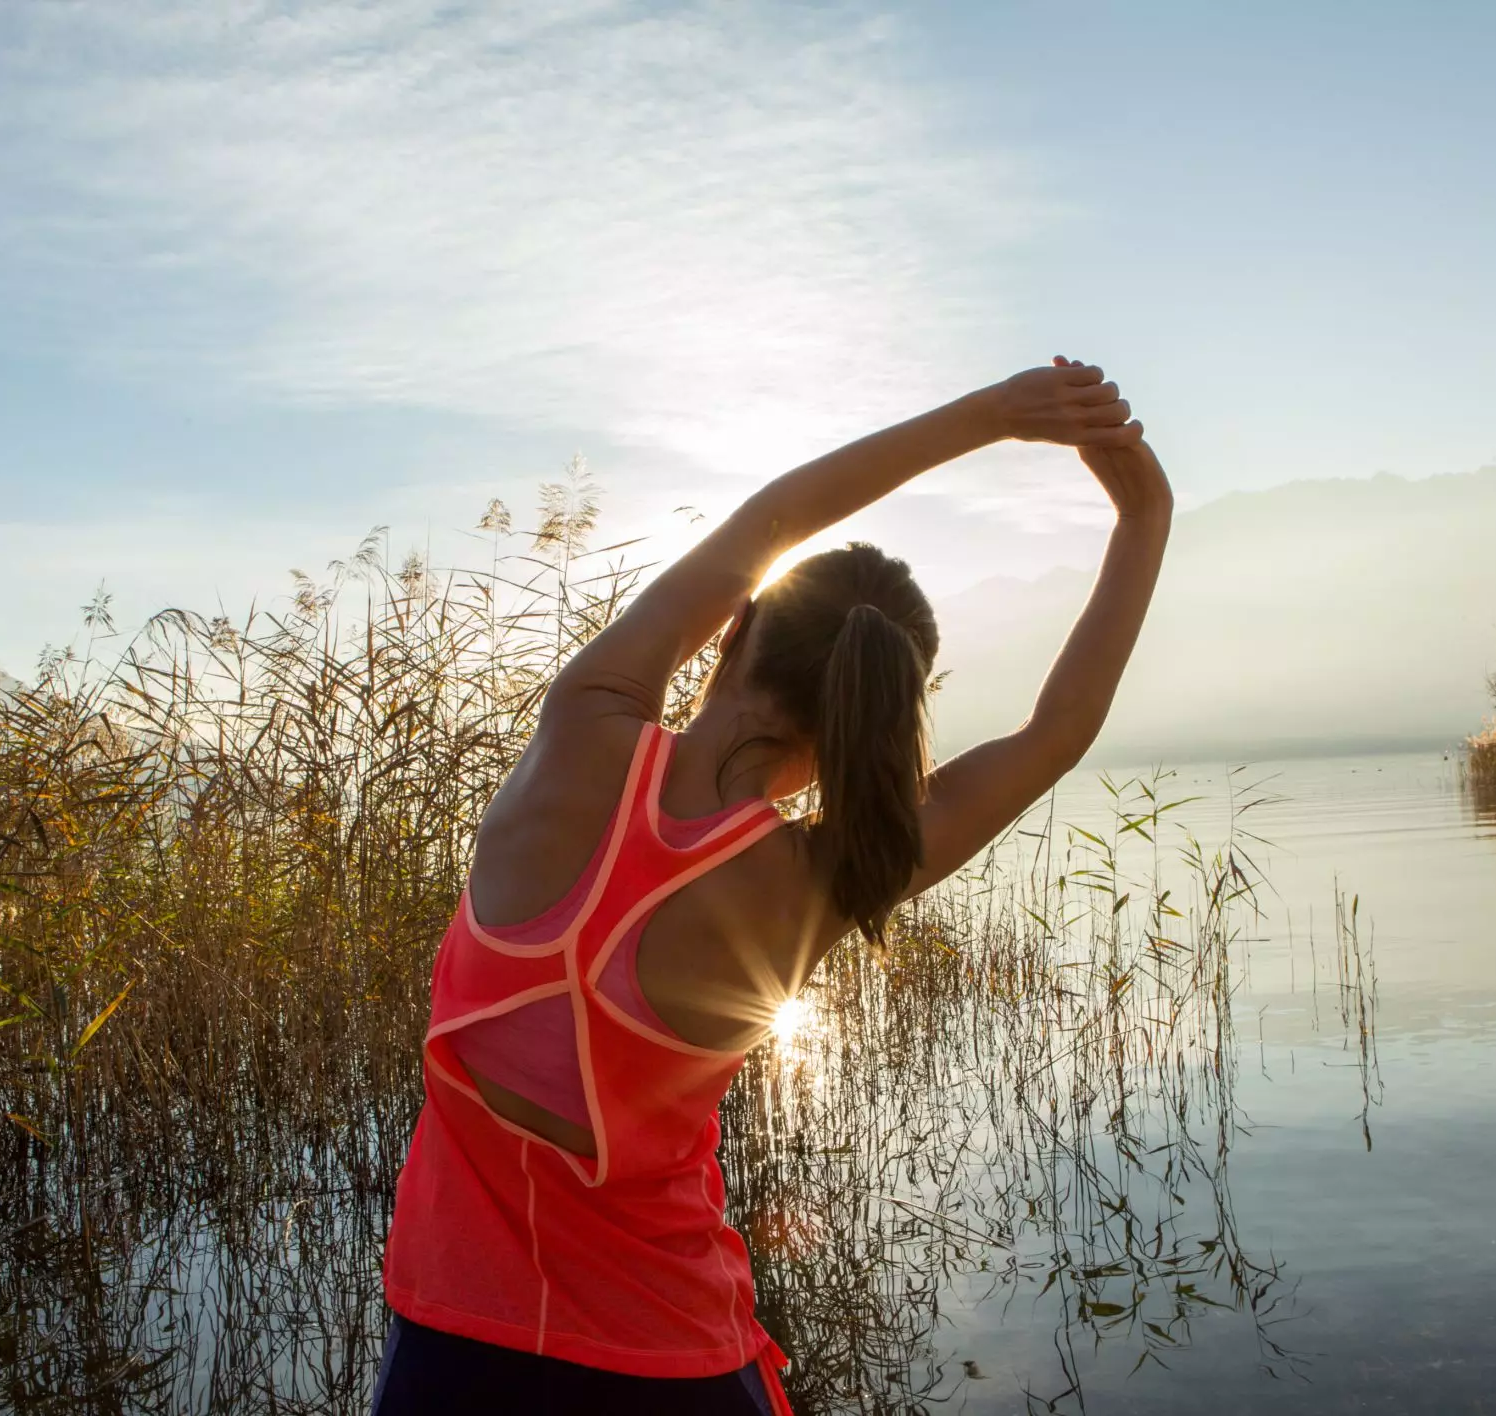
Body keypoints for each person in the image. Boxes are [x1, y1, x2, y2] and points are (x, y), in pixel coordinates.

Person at [374, 357, 1174, 1415]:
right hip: (669, 1360)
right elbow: (1057, 733)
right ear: (872, 719)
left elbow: (773, 516)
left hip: (449, 1345)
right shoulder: (825, 881)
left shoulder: (584, 723)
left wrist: (990, 415)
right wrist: (1145, 515)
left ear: (736, 630)